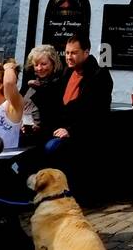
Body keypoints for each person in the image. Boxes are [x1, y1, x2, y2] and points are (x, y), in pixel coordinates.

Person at [44, 34, 114, 176]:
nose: (69, 57)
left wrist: (71, 130)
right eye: (67, 53)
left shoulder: (99, 76)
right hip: (60, 130)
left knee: (52, 148)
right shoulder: (67, 71)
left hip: (84, 135)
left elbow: (97, 113)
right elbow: (58, 104)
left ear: (86, 52)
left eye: (74, 53)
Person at [21, 44, 66, 141]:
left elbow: (55, 117)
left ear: (53, 63)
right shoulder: (30, 84)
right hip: (25, 135)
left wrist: (39, 128)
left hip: (46, 139)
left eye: (43, 64)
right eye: (36, 65)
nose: (39, 68)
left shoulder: (59, 84)